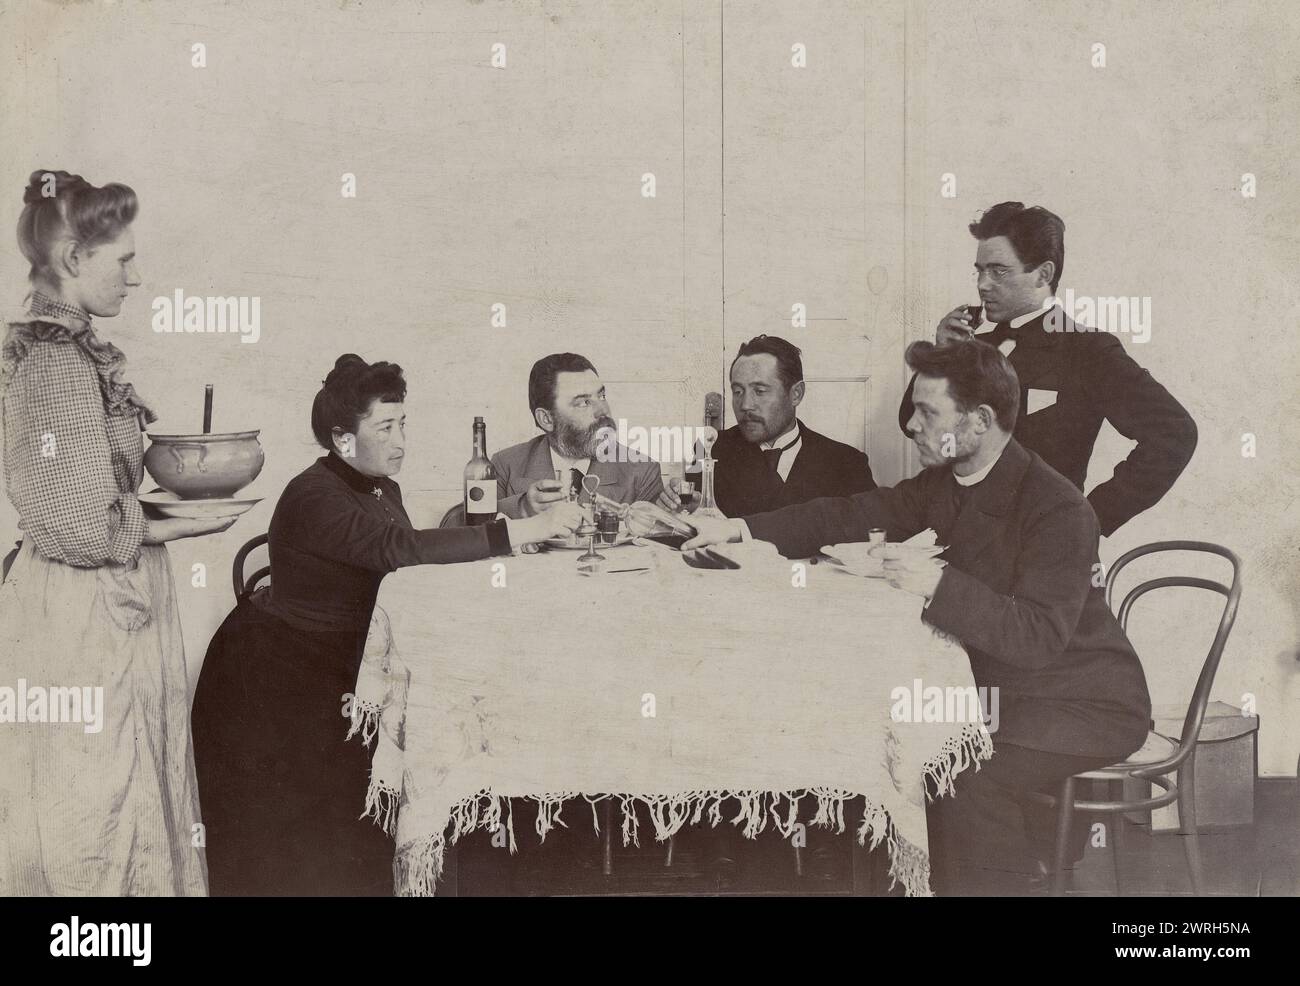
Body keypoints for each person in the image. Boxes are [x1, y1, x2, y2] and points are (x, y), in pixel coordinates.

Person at [684, 338, 1152, 894]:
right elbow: (851, 512)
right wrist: (738, 529)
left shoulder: (1060, 508)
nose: (911, 424)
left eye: (927, 412)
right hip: (1002, 685)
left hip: (1079, 700)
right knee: (891, 735)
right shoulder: (947, 480)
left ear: (978, 421)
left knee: (956, 766)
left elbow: (1038, 638)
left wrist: (937, 582)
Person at [191, 355, 581, 895]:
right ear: (342, 438)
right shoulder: (315, 495)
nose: (400, 441)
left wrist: (513, 523)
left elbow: (408, 555)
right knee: (287, 856)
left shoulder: (377, 486)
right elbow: (398, 548)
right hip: (271, 686)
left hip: (331, 668)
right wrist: (519, 531)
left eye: (403, 425)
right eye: (384, 428)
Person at [0, 170, 235, 895]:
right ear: (73, 259)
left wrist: (161, 519)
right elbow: (76, 524)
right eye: (123, 260)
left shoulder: (74, 354)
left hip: (109, 606)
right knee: (94, 805)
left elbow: (90, 499)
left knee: (128, 791)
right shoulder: (56, 365)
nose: (138, 276)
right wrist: (170, 524)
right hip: (83, 618)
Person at [898, 201, 1197, 537]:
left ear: (1044, 274)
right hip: (959, 542)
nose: (982, 285)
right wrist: (942, 355)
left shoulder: (1087, 350)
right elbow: (911, 424)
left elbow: (1175, 433)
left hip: (1039, 553)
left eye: (998, 271)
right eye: (979, 270)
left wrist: (1086, 519)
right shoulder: (974, 347)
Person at [443, 352, 664, 525]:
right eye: (583, 402)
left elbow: (662, 543)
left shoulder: (641, 470)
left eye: (601, 395)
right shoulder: (505, 464)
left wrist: (680, 512)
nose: (603, 410)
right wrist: (522, 507)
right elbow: (460, 532)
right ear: (546, 419)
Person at [697, 335, 875, 516]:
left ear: (796, 394)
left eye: (759, 391)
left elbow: (870, 532)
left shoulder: (848, 464)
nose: (745, 405)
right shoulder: (707, 450)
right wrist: (676, 503)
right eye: (738, 391)